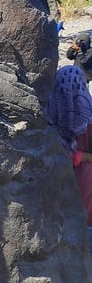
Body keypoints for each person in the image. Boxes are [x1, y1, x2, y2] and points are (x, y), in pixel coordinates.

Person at [48, 35, 92, 229]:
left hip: (58, 180)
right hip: (85, 179)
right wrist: (84, 157)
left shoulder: (50, 115)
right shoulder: (87, 117)